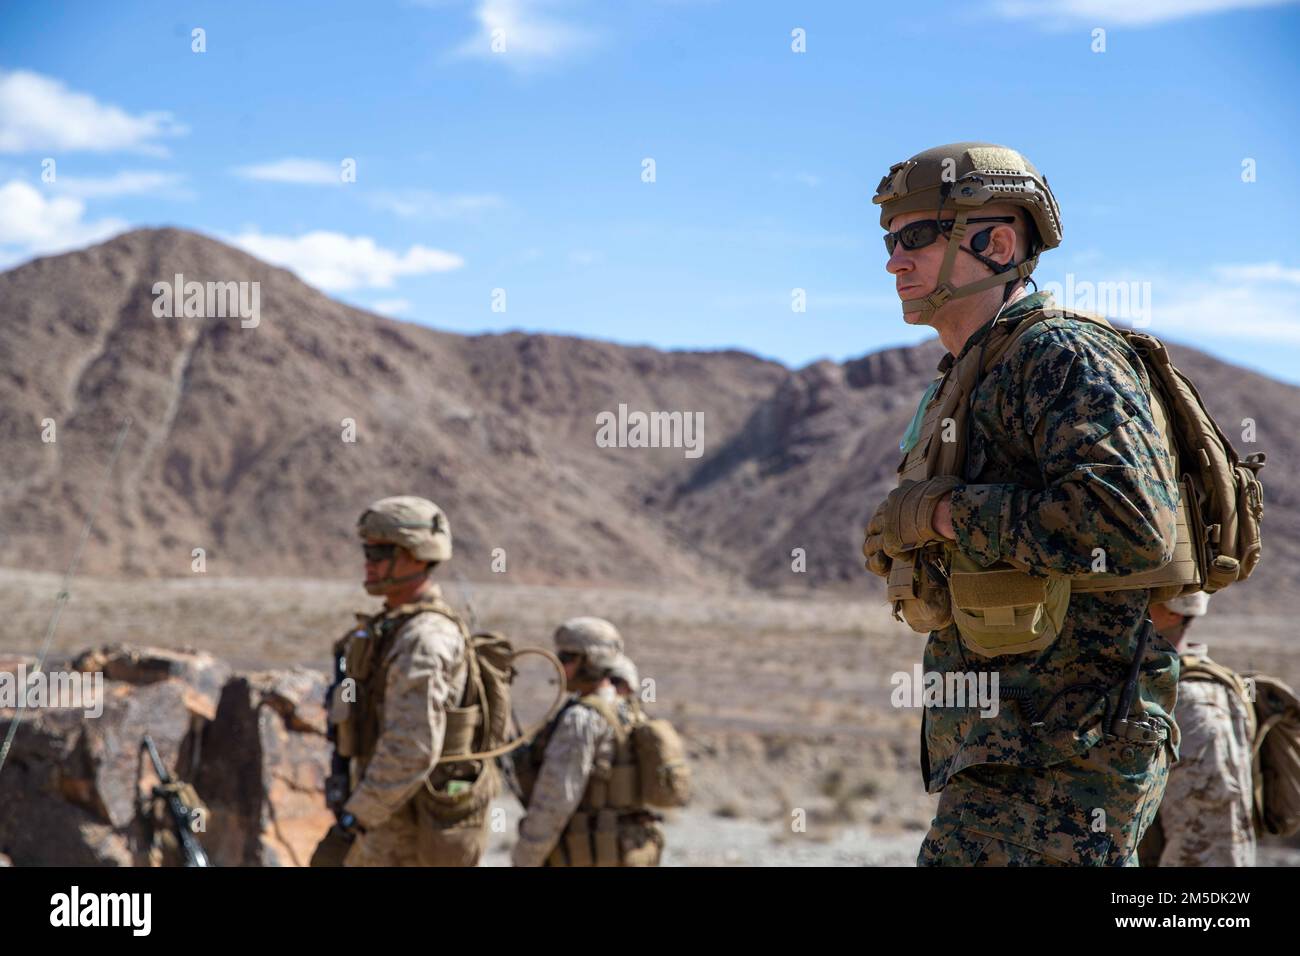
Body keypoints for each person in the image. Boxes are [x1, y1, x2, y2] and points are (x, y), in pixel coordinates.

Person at [862, 142, 1183, 866]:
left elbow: (1128, 523)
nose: (893, 261)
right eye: (889, 241)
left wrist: (942, 514)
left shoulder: (1061, 356)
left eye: (916, 237)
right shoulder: (975, 372)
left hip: (1072, 749)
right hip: (1016, 746)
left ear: (997, 243)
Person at [312, 495, 497, 867]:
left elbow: (411, 748)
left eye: (380, 553)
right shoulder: (391, 628)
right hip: (384, 827)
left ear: (417, 555)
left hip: (404, 837)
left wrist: (357, 817)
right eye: (366, 551)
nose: (368, 563)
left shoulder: (425, 640)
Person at [511, 618, 664, 867]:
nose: (559, 666)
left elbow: (554, 802)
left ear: (590, 662)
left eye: (567, 658)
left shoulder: (580, 720)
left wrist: (524, 859)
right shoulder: (627, 709)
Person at [1140, 593, 1256, 866]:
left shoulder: (1193, 702)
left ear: (1172, 612)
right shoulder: (1151, 686)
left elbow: (1211, 843)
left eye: (1142, 598)